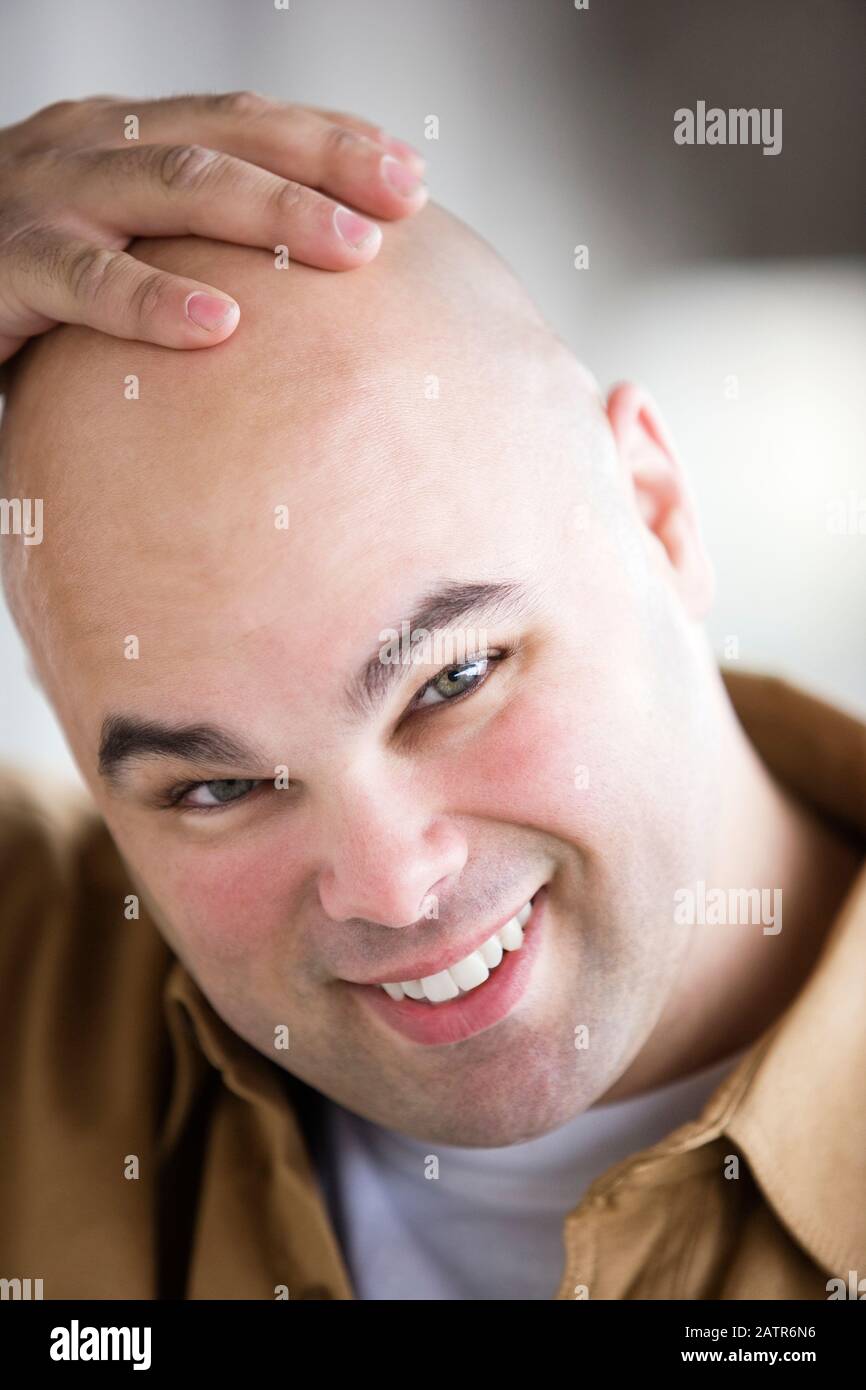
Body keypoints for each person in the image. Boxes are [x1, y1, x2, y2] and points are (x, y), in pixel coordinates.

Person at [0, 98, 864, 1303]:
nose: (392, 885)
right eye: (217, 787)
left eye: (450, 680)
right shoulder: (34, 980)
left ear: (657, 511)